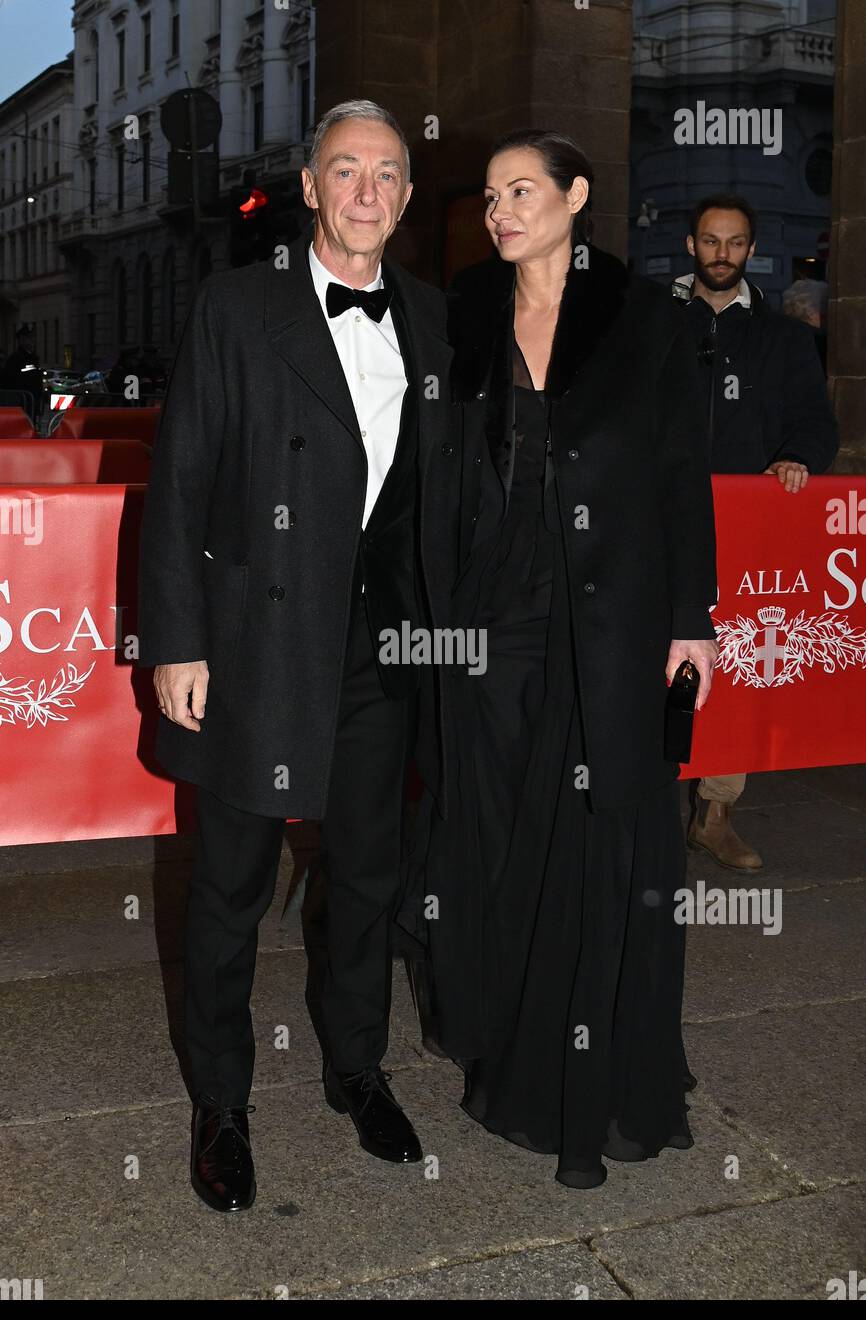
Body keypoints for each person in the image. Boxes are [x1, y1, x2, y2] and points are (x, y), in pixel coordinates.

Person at [137, 100, 458, 1212]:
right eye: (344, 170)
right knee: (229, 886)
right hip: (257, 643)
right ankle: (221, 1103)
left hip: (380, 649)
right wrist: (176, 640)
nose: (365, 190)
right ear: (311, 189)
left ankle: (355, 1067)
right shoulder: (237, 305)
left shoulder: (431, 315)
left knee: (366, 875)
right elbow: (177, 482)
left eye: (385, 172)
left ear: (406, 198)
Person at [399, 130, 719, 1189]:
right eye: (489, 194)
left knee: (600, 834)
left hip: (613, 616)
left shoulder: (642, 317)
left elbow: (679, 474)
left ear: (576, 197)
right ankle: (505, 1024)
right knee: (494, 818)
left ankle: (592, 1069)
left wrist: (691, 618)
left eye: (521, 189)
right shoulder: (467, 311)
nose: (499, 209)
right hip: (492, 612)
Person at [674, 194, 838, 871]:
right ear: (691, 246)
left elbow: (816, 422)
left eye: (735, 243)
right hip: (659, 517)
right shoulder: (652, 327)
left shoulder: (786, 338)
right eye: (710, 241)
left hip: (747, 528)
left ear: (750, 250)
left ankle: (716, 813)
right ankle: (651, 808)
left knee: (736, 664)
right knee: (656, 660)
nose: (722, 253)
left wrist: (797, 456)